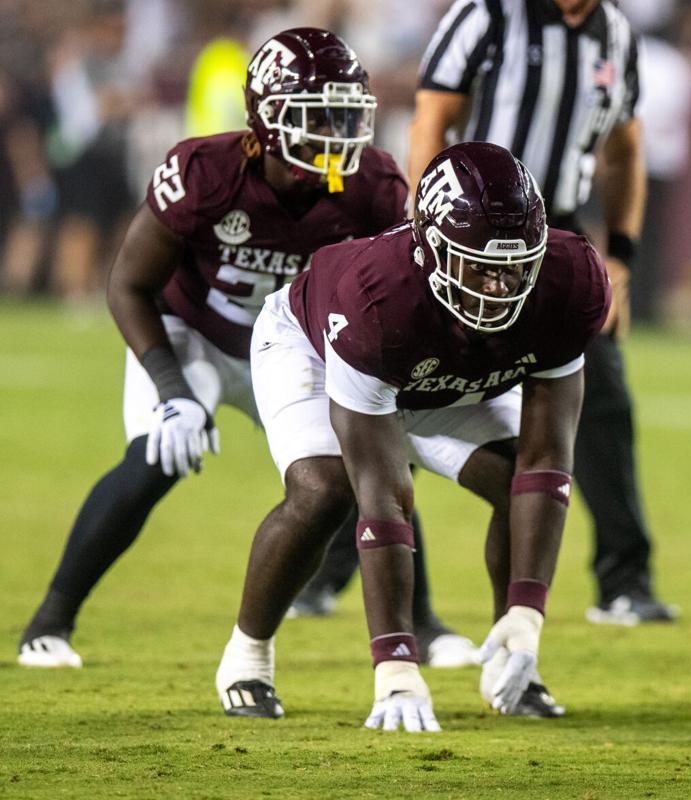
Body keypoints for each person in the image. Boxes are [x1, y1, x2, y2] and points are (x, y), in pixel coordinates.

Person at [15, 27, 461, 670]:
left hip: (292, 347)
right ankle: (50, 621)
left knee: (373, 459)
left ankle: (423, 622)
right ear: (269, 119)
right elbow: (128, 284)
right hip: (192, 332)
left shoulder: (370, 186)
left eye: (347, 113)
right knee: (157, 459)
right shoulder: (207, 172)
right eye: (319, 114)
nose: (339, 132)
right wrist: (172, 392)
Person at [214, 141, 609, 728]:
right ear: (428, 248)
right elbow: (384, 497)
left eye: (515, 266)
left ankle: (512, 660)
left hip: (447, 374)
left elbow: (547, 459)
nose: (499, 287)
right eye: (479, 265)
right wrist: (395, 664)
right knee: (326, 491)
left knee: (514, 484)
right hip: (320, 349)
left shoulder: (570, 282)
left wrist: (529, 614)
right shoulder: (378, 301)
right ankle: (247, 654)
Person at [408, 0, 677, 624]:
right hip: (466, 236)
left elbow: (624, 151)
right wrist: (424, 234)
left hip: (555, 237)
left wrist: (621, 256)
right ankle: (338, 563)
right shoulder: (488, 14)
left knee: (603, 398)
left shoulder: (616, 34)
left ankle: (625, 581)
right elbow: (432, 120)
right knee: (409, 387)